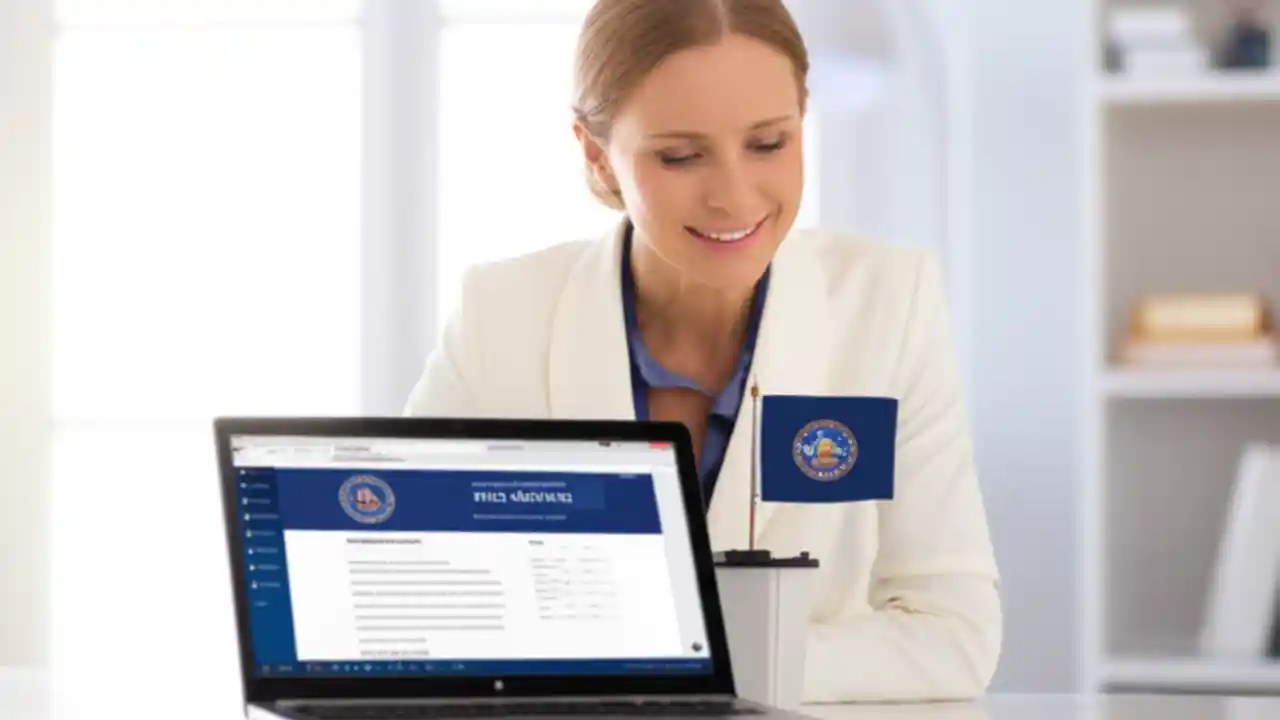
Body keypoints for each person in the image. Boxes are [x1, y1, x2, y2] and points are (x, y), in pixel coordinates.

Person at [405, 0, 1001, 703]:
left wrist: (680, 661)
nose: (734, 196)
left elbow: (954, 633)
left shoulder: (887, 303)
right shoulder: (501, 313)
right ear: (597, 156)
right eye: (681, 156)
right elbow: (418, 604)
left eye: (768, 143)